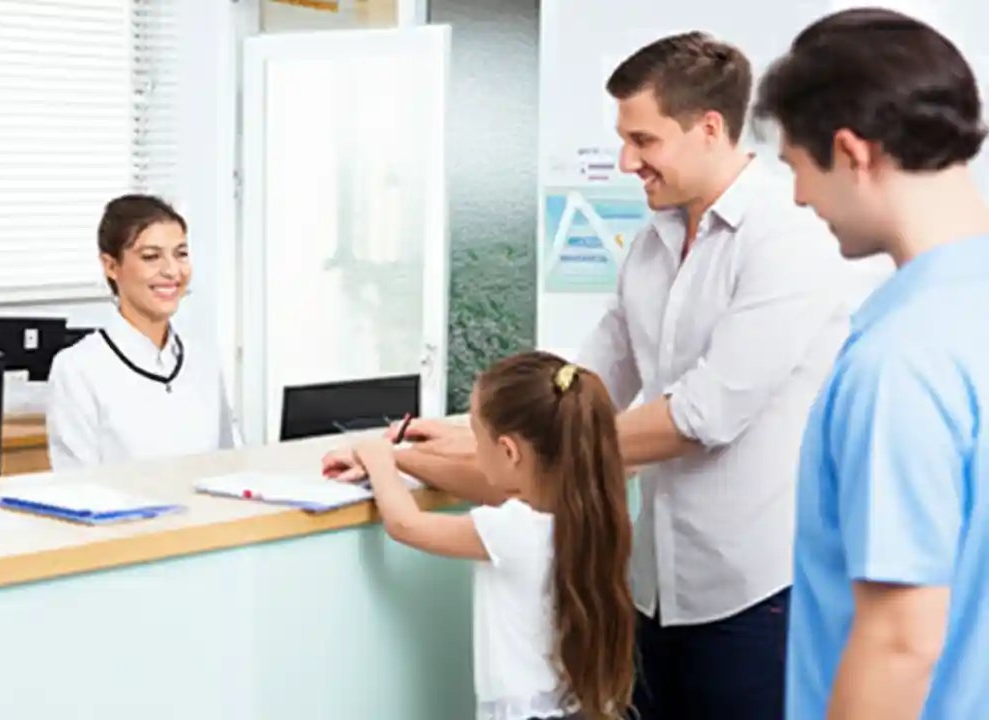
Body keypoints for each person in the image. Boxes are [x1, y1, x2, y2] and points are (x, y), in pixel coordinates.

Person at [327, 31, 873, 720]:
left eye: (643, 140)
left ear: (709, 128)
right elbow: (579, 391)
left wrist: (495, 451)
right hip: (648, 592)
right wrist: (434, 441)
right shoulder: (651, 244)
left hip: (755, 593)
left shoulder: (787, 239)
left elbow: (699, 416)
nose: (626, 161)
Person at [755, 9, 989, 719]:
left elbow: (899, 640)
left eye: (797, 167)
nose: (799, 197)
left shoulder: (903, 359)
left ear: (853, 154)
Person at [346, 351, 634, 720]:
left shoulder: (512, 528)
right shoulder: (590, 511)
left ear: (510, 452)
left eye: (478, 442)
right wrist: (408, 457)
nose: (473, 453)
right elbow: (495, 487)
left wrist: (378, 457)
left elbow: (406, 525)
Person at [47, 194, 235, 469]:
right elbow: (77, 490)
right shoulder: (77, 368)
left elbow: (227, 466)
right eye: (151, 257)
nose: (172, 271)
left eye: (180, 254)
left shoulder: (204, 359)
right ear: (111, 266)